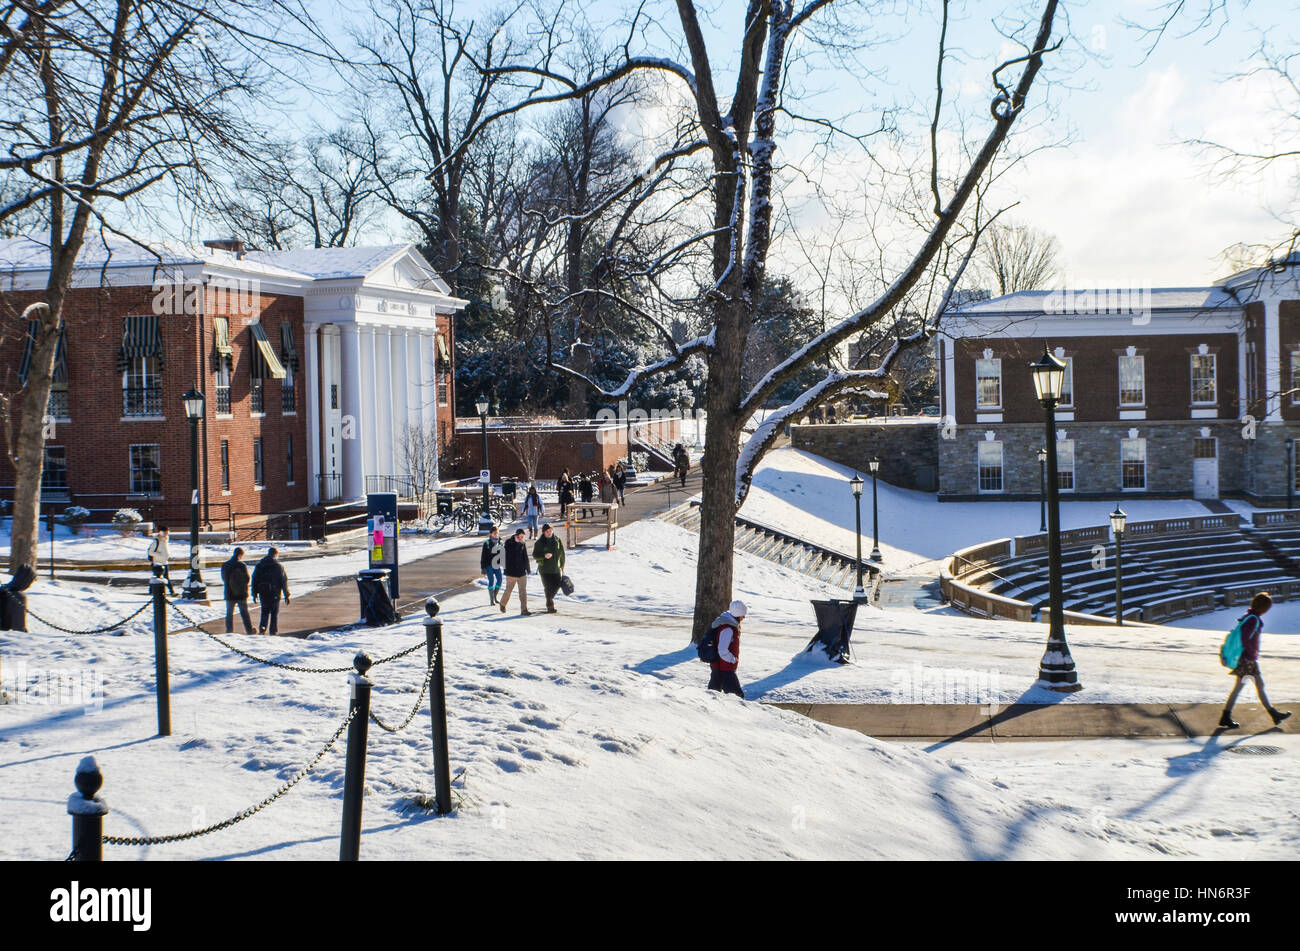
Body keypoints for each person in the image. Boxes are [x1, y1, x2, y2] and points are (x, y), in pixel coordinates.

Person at [1220, 591, 1292, 729]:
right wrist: (1251, 655)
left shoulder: (1250, 616)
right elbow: (1245, 639)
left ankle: (1274, 714)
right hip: (1247, 660)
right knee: (1239, 687)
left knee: (1259, 685)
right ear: (1263, 607)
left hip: (1249, 660)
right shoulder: (1253, 619)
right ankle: (1225, 716)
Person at [707, 600, 747, 699]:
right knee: (737, 697)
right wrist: (732, 659)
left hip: (719, 665)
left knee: (713, 694)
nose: (744, 618)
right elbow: (722, 650)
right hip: (725, 668)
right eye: (743, 615)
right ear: (737, 615)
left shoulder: (728, 625)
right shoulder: (728, 629)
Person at [251, 547, 290, 636]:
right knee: (274, 614)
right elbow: (283, 581)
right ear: (276, 554)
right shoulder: (278, 566)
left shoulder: (259, 565)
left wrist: (254, 594)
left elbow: (255, 580)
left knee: (264, 612)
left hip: (263, 592)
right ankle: (273, 631)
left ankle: (262, 628)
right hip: (274, 593)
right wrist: (286, 595)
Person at [532, 522, 566, 614]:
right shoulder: (539, 542)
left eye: (550, 530)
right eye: (547, 531)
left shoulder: (557, 540)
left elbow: (562, 553)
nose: (549, 532)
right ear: (543, 532)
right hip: (544, 569)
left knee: (558, 585)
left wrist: (562, 565)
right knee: (548, 587)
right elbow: (535, 555)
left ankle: (549, 598)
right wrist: (544, 555)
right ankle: (550, 605)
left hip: (555, 568)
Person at [220, 547, 254, 635]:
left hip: (229, 593)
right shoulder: (242, 565)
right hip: (241, 594)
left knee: (229, 614)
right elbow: (247, 579)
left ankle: (229, 630)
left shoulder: (225, 565)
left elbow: (224, 579)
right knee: (244, 613)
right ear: (240, 555)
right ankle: (249, 630)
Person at [500, 528, 532, 616]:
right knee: (509, 590)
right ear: (516, 535)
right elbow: (507, 556)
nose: (522, 538)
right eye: (520, 537)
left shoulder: (522, 543)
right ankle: (502, 604)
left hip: (521, 572)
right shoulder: (509, 543)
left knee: (523, 591)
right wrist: (517, 543)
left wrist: (528, 569)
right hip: (511, 572)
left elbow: (525, 556)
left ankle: (524, 609)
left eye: (523, 537)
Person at [146, 525, 175, 595]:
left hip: (164, 562)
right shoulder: (157, 541)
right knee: (157, 577)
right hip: (157, 562)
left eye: (167, 532)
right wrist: (159, 555)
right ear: (161, 532)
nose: (166, 534)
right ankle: (171, 592)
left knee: (165, 577)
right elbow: (150, 552)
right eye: (165, 532)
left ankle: (171, 592)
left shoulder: (165, 540)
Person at [480, 526, 505, 605]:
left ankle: (495, 596)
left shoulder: (500, 543)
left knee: (500, 580)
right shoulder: (487, 543)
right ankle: (491, 600)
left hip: (496, 565)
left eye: (497, 533)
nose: (496, 535)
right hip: (488, 565)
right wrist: (483, 568)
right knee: (491, 581)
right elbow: (483, 556)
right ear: (491, 534)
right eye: (495, 533)